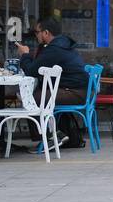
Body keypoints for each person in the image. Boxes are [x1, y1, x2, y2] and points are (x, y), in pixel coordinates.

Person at [16, 18, 88, 148]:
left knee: (32, 98)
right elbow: (39, 66)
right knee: (39, 95)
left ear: (46, 33)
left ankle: (50, 137)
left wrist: (25, 55)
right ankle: (57, 134)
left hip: (74, 92)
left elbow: (31, 71)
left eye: (37, 32)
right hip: (78, 90)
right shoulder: (62, 45)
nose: (36, 35)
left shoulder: (55, 49)